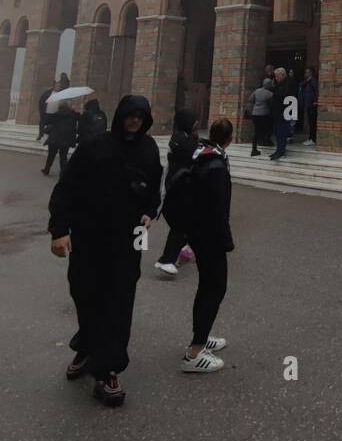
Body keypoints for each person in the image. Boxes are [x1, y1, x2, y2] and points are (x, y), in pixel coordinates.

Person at [48, 94, 162, 408]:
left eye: (141, 115)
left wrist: (151, 212)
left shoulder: (149, 149)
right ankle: (86, 346)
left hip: (127, 242)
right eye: (131, 114)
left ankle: (108, 370)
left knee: (119, 303)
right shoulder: (94, 147)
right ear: (120, 115)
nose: (136, 120)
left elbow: (155, 189)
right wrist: (59, 230)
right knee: (85, 294)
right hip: (89, 238)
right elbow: (66, 187)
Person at [163, 119, 236, 373]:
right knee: (214, 287)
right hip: (209, 236)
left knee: (208, 286)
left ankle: (202, 337)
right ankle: (195, 352)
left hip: (197, 232)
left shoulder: (201, 154)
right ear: (229, 139)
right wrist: (226, 241)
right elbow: (219, 210)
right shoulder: (216, 165)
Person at [154, 109, 199, 277]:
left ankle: (185, 250)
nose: (196, 123)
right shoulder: (182, 139)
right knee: (181, 225)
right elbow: (194, 157)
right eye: (194, 121)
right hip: (177, 187)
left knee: (186, 224)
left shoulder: (185, 137)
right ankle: (167, 260)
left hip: (182, 187)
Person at [42, 101, 78, 176]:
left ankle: (46, 170)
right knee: (63, 157)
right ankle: (63, 173)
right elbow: (75, 125)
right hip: (66, 140)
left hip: (54, 139)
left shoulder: (56, 114)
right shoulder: (73, 115)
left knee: (51, 156)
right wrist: (73, 111)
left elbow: (46, 121)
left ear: (59, 107)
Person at [270, 67, 298, 160]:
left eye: (277, 76)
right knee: (277, 132)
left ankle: (281, 151)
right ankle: (278, 150)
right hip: (278, 112)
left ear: (282, 75)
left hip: (284, 112)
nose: (276, 78)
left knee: (282, 132)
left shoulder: (289, 83)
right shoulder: (279, 84)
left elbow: (285, 95)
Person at [37, 73, 69, 141]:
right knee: (42, 123)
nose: (58, 87)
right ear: (54, 86)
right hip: (46, 111)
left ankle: (49, 136)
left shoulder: (61, 94)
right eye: (57, 85)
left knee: (52, 125)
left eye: (59, 86)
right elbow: (41, 101)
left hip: (55, 112)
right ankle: (40, 134)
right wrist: (42, 110)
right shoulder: (47, 93)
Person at [248, 77, 274, 157]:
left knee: (256, 131)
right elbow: (272, 104)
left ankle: (254, 148)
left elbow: (250, 100)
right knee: (266, 129)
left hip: (255, 114)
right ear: (268, 85)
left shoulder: (256, 91)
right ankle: (264, 141)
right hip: (264, 114)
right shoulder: (269, 93)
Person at [298, 67, 318, 145]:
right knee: (310, 122)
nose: (305, 74)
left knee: (312, 122)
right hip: (308, 104)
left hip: (312, 105)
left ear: (311, 73)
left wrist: (315, 101)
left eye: (307, 72)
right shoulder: (306, 82)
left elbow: (316, 91)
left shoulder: (313, 81)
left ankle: (312, 139)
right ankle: (311, 138)